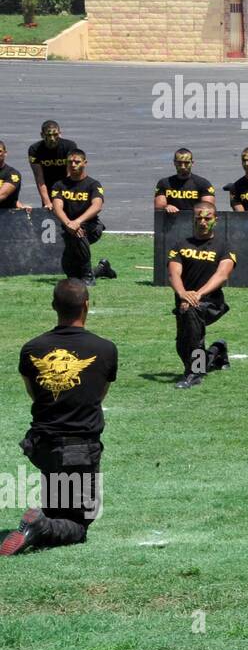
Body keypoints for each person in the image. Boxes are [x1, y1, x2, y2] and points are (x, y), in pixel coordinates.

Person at [4, 280, 117, 555]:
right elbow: (98, 395)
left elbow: (34, 393)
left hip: (43, 446)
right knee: (79, 524)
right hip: (80, 448)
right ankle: (40, 524)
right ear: (87, 305)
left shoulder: (32, 348)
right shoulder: (105, 349)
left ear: (54, 306)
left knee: (60, 507)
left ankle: (43, 520)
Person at [167, 202, 235, 389]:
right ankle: (217, 350)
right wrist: (183, 294)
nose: (203, 222)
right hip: (184, 302)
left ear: (215, 220)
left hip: (210, 303)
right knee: (182, 345)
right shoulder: (181, 245)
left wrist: (197, 295)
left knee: (193, 336)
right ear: (193, 220)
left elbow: (221, 276)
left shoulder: (224, 247)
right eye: (199, 218)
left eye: (207, 218)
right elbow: (174, 274)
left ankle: (194, 373)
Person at [50, 150, 113, 285]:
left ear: (85, 163)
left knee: (79, 233)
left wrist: (77, 222)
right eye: (70, 162)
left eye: (77, 162)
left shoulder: (93, 184)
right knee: (72, 276)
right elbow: (57, 207)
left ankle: (88, 277)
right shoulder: (59, 185)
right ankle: (102, 268)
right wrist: (68, 223)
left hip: (92, 227)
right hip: (69, 228)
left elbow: (97, 206)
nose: (73, 165)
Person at [27, 120, 79, 211]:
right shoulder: (34, 150)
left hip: (68, 184)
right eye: (48, 135)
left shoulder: (70, 146)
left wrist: (66, 196)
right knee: (49, 210)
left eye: (55, 135)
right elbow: (39, 177)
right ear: (42, 135)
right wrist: (47, 202)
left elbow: (71, 172)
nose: (52, 139)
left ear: (60, 134)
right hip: (48, 185)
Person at [154, 148, 216, 213]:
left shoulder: (203, 184)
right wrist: (166, 206)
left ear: (192, 163)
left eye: (186, 163)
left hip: (194, 221)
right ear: (174, 163)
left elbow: (209, 208)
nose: (183, 166)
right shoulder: (164, 183)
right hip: (170, 221)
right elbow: (159, 207)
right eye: (179, 163)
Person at [0, 141, 30, 211]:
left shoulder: (12, 174)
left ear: (5, 153)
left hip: (7, 216)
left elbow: (1, 195)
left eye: (0, 151)